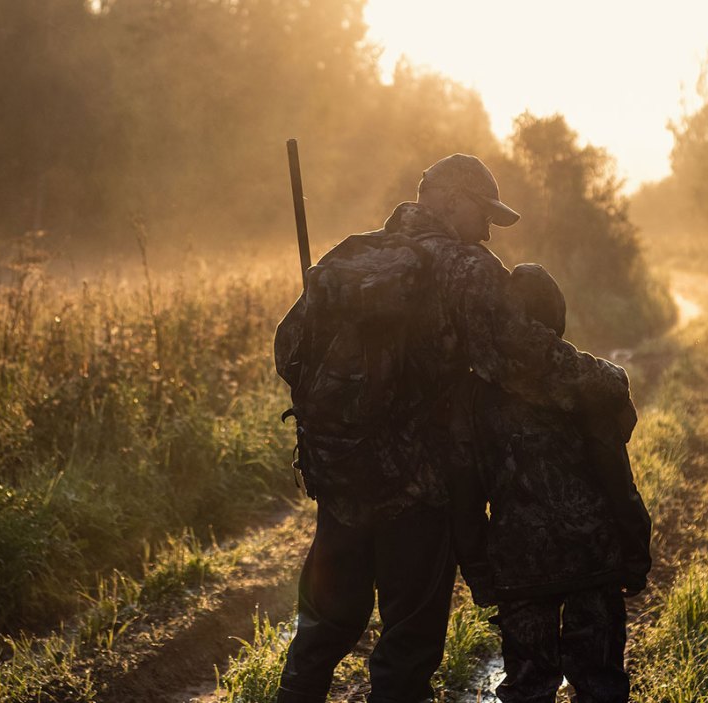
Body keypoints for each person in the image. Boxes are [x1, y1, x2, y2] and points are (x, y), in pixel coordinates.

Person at [273, 154, 634, 703]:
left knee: (323, 630)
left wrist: (346, 425)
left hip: (339, 476)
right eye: (482, 212)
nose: (487, 228)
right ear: (447, 200)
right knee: (408, 642)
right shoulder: (464, 267)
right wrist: (603, 379)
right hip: (418, 489)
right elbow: (521, 360)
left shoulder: (351, 253)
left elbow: (288, 351)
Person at [452, 263, 651, 703]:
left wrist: (480, 573)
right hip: (592, 561)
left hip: (519, 565)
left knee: (527, 690)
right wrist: (635, 551)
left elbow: (466, 498)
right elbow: (617, 479)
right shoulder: (585, 384)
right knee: (600, 683)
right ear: (555, 317)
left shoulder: (472, 398)